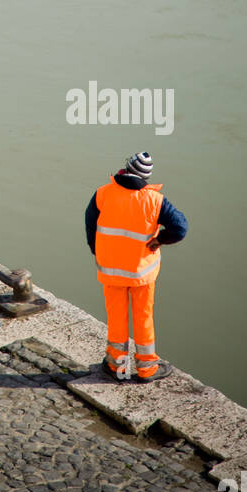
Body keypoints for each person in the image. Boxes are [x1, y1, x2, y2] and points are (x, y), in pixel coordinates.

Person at [85, 151, 188, 382]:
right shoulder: (155, 201)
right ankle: (147, 369)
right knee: (143, 317)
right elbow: (180, 228)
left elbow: (90, 226)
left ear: (126, 168)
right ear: (146, 177)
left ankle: (116, 366)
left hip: (110, 270)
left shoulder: (103, 194)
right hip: (142, 273)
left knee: (116, 317)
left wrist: (98, 251)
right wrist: (159, 240)